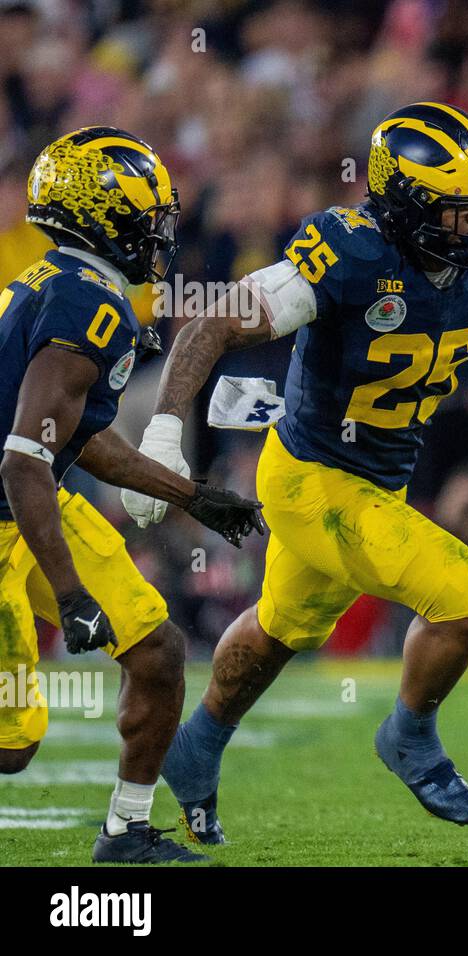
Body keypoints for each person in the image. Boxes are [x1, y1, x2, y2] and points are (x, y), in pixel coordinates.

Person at [123, 103, 468, 843]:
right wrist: (167, 429)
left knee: (281, 627)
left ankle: (196, 746)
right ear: (404, 205)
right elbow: (213, 322)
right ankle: (408, 734)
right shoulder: (351, 253)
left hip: (380, 478)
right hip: (311, 477)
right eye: (458, 212)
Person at [0, 127, 264, 863]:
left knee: (155, 648)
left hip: (32, 503)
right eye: (146, 217)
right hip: (14, 506)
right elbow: (24, 460)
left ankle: (127, 833)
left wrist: (193, 494)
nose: (160, 233)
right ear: (98, 216)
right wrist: (70, 593)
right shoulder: (88, 303)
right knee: (10, 747)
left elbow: (75, 435)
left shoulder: (70, 286)